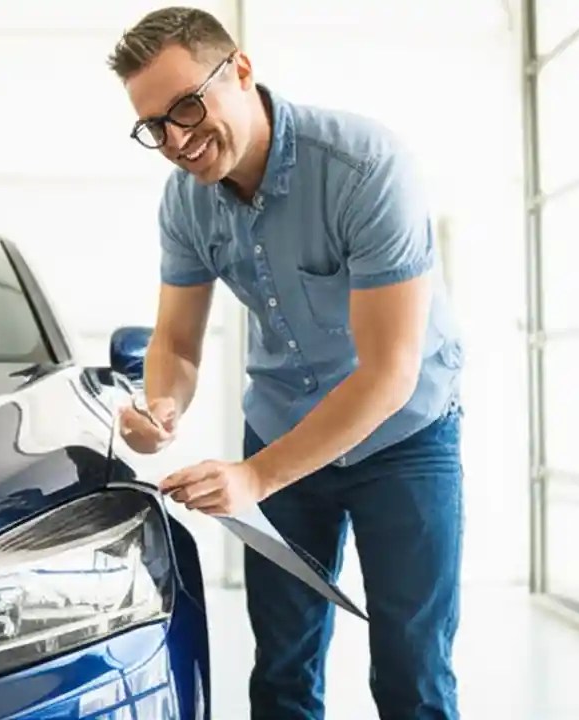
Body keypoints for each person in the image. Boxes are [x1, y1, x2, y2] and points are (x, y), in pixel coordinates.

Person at [107, 7, 465, 720]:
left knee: (411, 668)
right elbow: (176, 344)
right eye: (155, 126)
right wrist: (162, 405)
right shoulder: (185, 203)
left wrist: (254, 477)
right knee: (281, 668)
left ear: (239, 70)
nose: (177, 140)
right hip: (279, 422)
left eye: (186, 106)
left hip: (405, 437)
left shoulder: (366, 167)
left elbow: (388, 371)